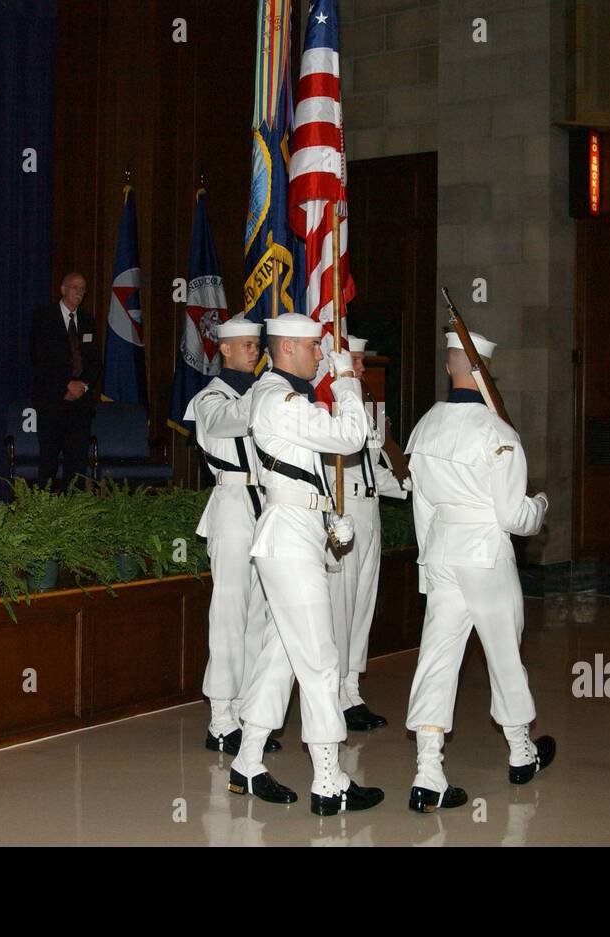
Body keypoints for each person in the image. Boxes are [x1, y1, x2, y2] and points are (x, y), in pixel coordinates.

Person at [228, 312, 385, 816]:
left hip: (298, 532)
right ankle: (329, 780)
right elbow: (350, 437)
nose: (321, 355)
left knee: (281, 655)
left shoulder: (283, 396)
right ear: (290, 348)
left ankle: (247, 762)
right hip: (287, 540)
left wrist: (330, 517)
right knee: (320, 661)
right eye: (315, 348)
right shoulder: (278, 398)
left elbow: (309, 469)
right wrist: (346, 382)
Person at [402, 329, 554, 814]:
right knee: (504, 655)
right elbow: (513, 517)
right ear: (484, 372)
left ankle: (428, 772)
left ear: (450, 368)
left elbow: (422, 509)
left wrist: (429, 564)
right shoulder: (499, 435)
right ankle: (519, 752)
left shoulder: (423, 428)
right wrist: (541, 505)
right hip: (486, 556)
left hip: (443, 552)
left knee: (437, 660)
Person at [183, 317, 280, 758]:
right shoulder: (210, 398)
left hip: (267, 504)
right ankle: (221, 716)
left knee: (259, 614)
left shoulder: (258, 392)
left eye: (257, 346)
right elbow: (227, 426)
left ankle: (245, 711)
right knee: (229, 613)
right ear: (223, 350)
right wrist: (268, 390)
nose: (254, 352)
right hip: (233, 504)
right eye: (245, 345)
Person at [327, 335, 409, 732]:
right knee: (340, 610)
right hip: (344, 514)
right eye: (355, 362)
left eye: (360, 362)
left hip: (370, 511)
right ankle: (336, 696)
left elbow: (379, 470)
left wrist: (417, 485)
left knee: (362, 606)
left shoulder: (367, 410)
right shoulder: (328, 411)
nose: (361, 370)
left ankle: (352, 690)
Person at [29, 272, 100, 489]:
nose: (79, 293)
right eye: (75, 288)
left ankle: (75, 514)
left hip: (80, 404)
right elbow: (39, 358)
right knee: (49, 462)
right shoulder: (44, 318)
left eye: (83, 289)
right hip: (52, 400)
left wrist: (83, 386)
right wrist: (66, 384)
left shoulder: (88, 320)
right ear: (63, 289)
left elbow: (95, 361)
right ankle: (47, 515)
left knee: (77, 464)